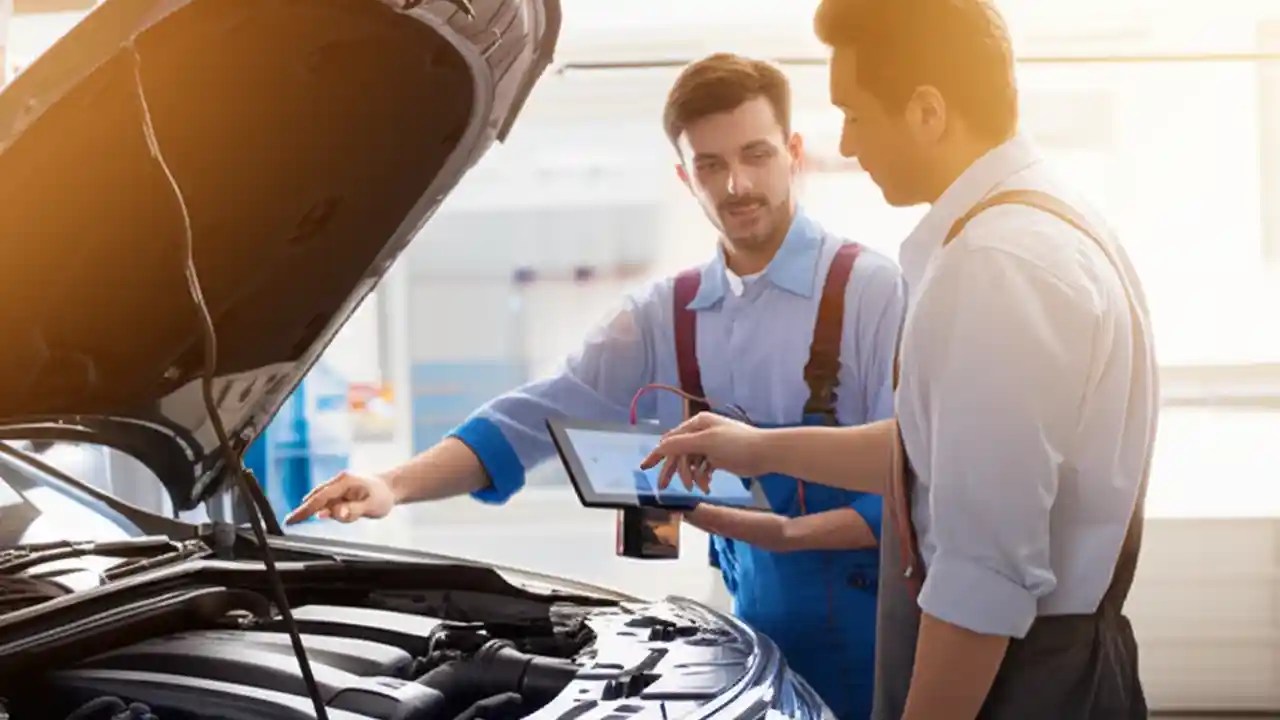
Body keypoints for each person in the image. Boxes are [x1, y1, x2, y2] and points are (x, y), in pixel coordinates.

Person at [286, 53, 907, 719]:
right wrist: (392, 485)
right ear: (684, 177)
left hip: (882, 646)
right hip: (755, 652)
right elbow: (536, 415)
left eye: (756, 155)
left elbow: (919, 480)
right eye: (710, 165)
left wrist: (790, 534)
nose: (737, 184)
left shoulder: (873, 292)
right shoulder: (666, 314)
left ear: (793, 152)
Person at [640, 2, 1159, 719]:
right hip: (1062, 664)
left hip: (1019, 682)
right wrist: (759, 449)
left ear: (926, 111)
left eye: (855, 113)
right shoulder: (1048, 219)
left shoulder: (995, 267)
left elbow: (981, 580)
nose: (847, 144)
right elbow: (944, 447)